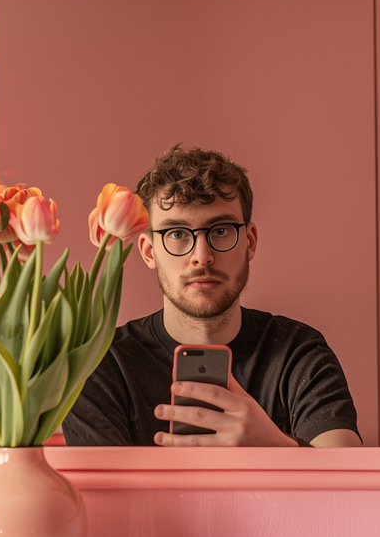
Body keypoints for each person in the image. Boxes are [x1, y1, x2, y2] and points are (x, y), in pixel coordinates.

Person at [63, 145, 361, 448]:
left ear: (250, 241)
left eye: (220, 231)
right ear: (149, 251)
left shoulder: (298, 352)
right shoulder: (102, 364)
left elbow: (349, 477)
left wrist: (275, 448)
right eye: (177, 234)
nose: (202, 257)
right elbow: (103, 494)